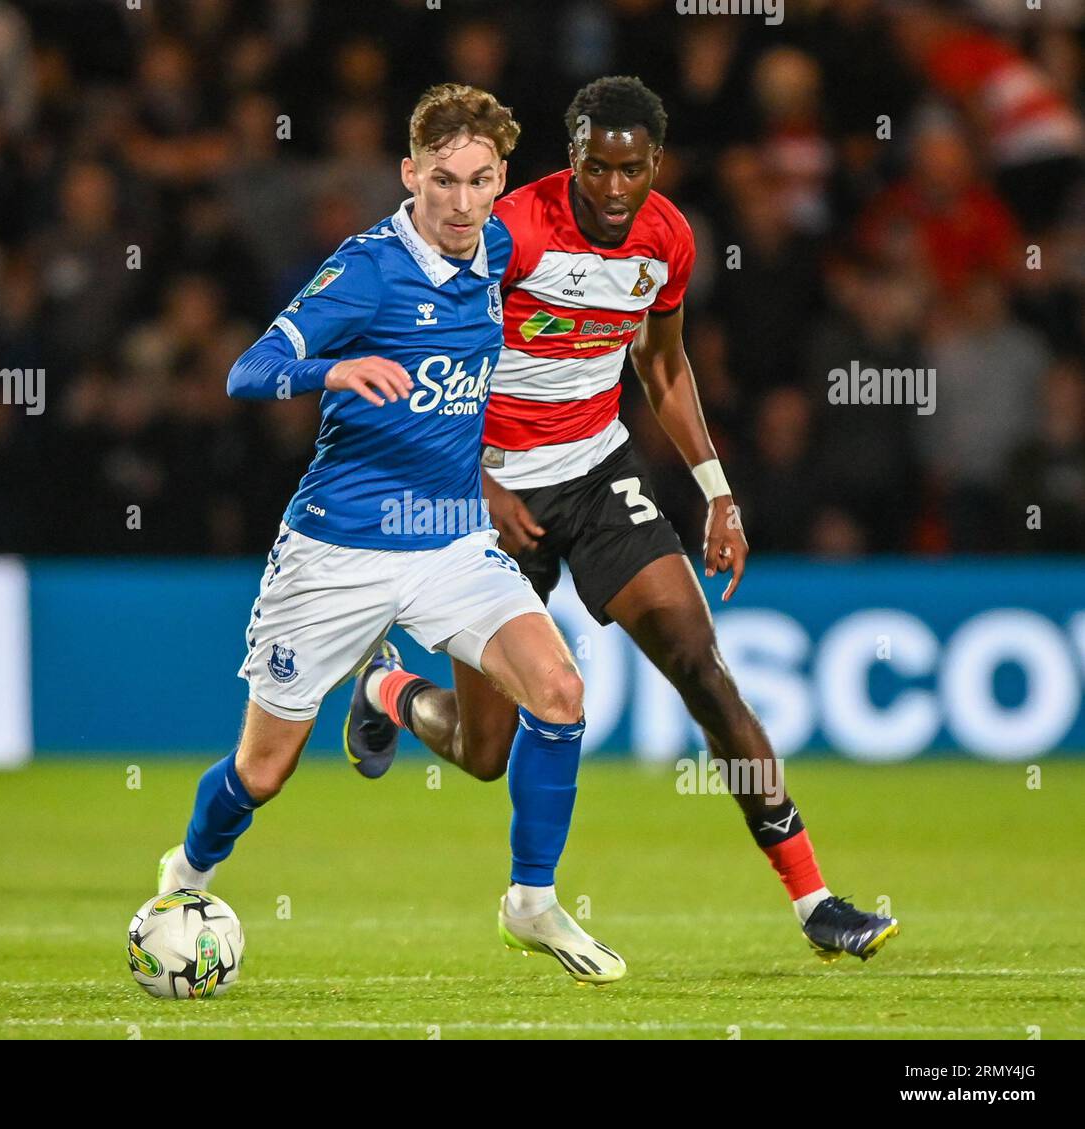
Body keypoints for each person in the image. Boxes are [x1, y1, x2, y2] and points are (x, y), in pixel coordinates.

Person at [346, 76, 899, 965]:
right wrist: (477, 479)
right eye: (596, 167)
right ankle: (386, 689)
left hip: (597, 474)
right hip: (486, 490)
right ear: (571, 159)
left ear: (655, 167)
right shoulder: (510, 231)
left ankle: (814, 898)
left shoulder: (668, 240)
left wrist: (717, 488)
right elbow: (419, 353)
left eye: (630, 169)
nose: (612, 188)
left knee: (702, 665)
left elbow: (664, 365)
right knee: (486, 751)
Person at [158, 84, 626, 984]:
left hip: (451, 544)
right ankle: (187, 874)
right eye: (442, 181)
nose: (460, 203)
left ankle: (530, 902)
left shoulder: (497, 247)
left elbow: (597, 222)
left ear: (500, 182)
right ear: (409, 175)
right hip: (338, 554)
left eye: (479, 181)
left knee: (559, 691)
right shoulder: (368, 268)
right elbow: (247, 371)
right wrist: (336, 370)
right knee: (261, 772)